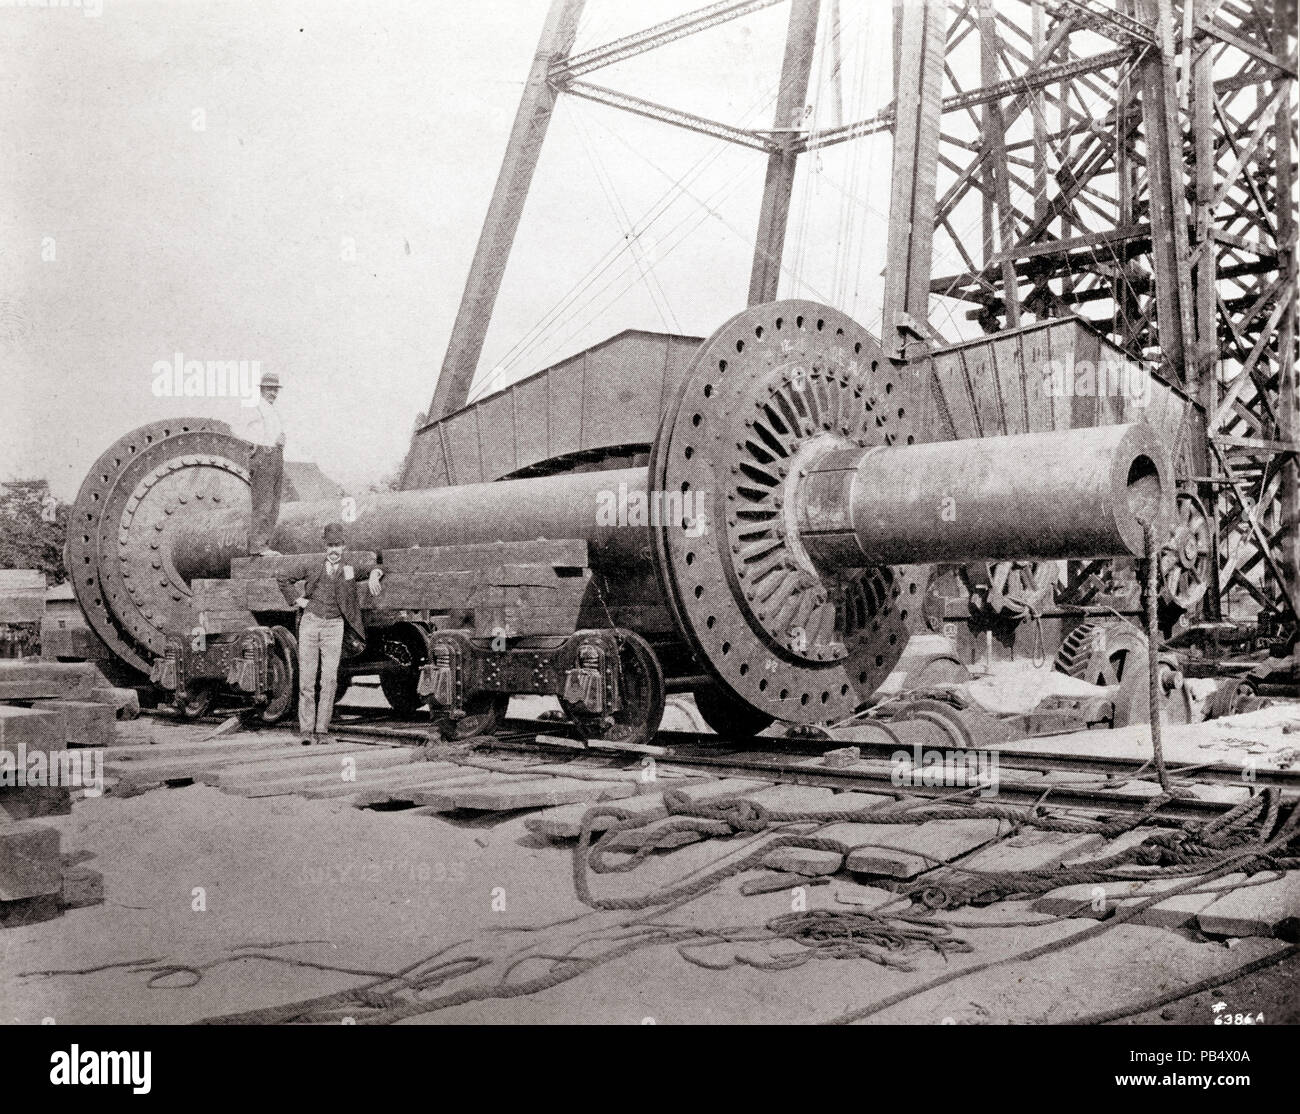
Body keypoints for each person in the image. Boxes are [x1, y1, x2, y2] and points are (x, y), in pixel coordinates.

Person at [276, 522, 383, 745]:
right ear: (325, 546)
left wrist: (374, 575)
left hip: (335, 626)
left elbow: (378, 566)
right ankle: (306, 730)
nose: (334, 549)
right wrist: (298, 600)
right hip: (310, 623)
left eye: (338, 545)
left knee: (330, 679)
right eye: (331, 545)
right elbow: (283, 578)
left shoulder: (349, 568)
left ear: (344, 546)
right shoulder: (312, 564)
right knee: (306, 679)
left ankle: (322, 730)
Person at [238, 371, 286, 556]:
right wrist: (258, 445)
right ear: (262, 389)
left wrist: (279, 439)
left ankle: (264, 545)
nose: (273, 393)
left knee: (273, 504)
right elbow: (240, 429)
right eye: (269, 389)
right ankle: (258, 547)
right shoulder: (255, 407)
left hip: (275, 455)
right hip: (264, 455)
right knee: (263, 503)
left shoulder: (271, 410)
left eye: (275, 390)